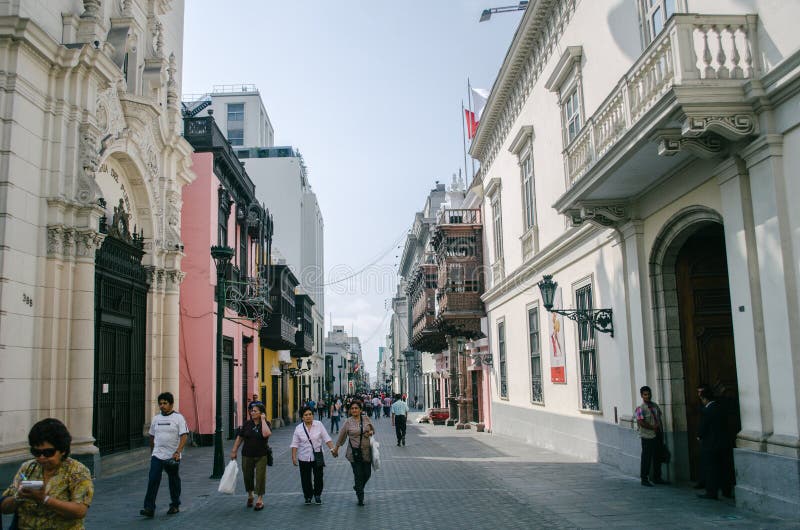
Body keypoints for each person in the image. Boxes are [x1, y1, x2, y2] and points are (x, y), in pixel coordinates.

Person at [1, 418, 94, 529]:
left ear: (63, 450)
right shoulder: (27, 468)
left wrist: (45, 499)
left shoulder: (77, 471)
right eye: (36, 452)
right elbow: (4, 507)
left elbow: (79, 511)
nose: (41, 457)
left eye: (48, 452)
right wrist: (18, 497)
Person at [140, 392, 188, 517]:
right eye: (160, 403)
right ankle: (149, 508)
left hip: (172, 456)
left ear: (171, 404)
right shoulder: (156, 418)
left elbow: (184, 435)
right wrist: (152, 452)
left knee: (173, 481)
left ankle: (175, 504)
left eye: (165, 403)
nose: (162, 406)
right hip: (157, 455)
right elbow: (152, 435)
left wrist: (178, 451)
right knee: (153, 480)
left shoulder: (178, 418)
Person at [332, 400, 375, 506]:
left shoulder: (366, 418)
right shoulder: (348, 422)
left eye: (356, 408)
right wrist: (336, 449)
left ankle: (358, 486)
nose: (354, 410)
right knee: (358, 474)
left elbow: (373, 430)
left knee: (367, 474)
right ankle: (360, 497)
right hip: (354, 453)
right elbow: (342, 436)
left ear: (360, 410)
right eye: (352, 408)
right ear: (350, 410)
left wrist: (369, 433)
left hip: (366, 452)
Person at [230, 403, 272, 511]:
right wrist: (234, 450)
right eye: (251, 411)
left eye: (255, 411)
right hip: (247, 454)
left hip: (261, 455)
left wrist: (262, 420)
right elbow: (240, 438)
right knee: (247, 476)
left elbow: (267, 434)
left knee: (260, 477)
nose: (252, 412)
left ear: (261, 413)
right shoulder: (247, 424)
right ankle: (250, 495)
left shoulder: (266, 423)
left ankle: (259, 499)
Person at [291, 406, 335, 505]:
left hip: (318, 456)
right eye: (306, 415)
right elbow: (295, 444)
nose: (308, 416)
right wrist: (293, 456)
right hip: (303, 457)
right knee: (305, 478)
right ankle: (308, 496)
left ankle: (317, 495)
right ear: (302, 417)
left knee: (319, 477)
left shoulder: (319, 425)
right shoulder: (298, 428)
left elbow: (326, 438)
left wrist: (332, 449)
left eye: (310, 414)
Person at [697, 385, 728, 500]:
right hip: (722, 442)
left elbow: (703, 427)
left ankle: (711, 492)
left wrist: (699, 436)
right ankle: (726, 490)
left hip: (710, 444)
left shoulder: (707, 410)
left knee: (710, 468)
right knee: (723, 467)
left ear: (704, 399)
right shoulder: (720, 407)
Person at [635, 385, 667, 487]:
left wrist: (660, 431)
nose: (647, 396)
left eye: (648, 394)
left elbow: (659, 418)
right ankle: (644, 478)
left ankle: (657, 477)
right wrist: (652, 427)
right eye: (645, 395)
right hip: (647, 436)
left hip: (657, 435)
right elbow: (641, 422)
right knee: (646, 457)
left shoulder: (655, 406)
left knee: (657, 456)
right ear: (641, 396)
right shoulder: (640, 409)